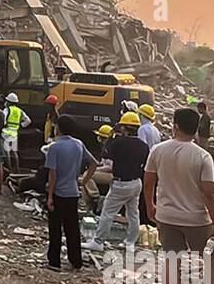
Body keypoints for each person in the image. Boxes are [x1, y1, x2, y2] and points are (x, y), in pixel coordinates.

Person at [145, 108, 214, 284]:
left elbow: (149, 181)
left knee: (171, 261)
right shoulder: (203, 156)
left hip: (167, 216)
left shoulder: (158, 150)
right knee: (212, 259)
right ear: (196, 128)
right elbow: (209, 194)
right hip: (197, 219)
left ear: (175, 125)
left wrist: (150, 206)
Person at [84, 112, 149, 251]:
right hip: (136, 183)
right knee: (133, 213)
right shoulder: (144, 146)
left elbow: (110, 162)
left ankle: (98, 241)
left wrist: (112, 135)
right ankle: (130, 243)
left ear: (124, 128)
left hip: (121, 183)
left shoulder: (117, 143)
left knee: (107, 213)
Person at [44, 115, 96, 271]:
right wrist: (83, 181)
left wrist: (50, 196)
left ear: (59, 128)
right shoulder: (78, 144)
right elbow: (94, 163)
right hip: (73, 193)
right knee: (72, 229)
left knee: (55, 229)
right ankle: (76, 261)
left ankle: (54, 262)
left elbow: (52, 174)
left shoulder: (54, 147)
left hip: (59, 193)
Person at [2, 92, 31, 174]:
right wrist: (21, 125)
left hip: (6, 132)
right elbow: (28, 121)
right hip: (14, 132)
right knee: (14, 152)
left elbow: (3, 120)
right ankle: (17, 169)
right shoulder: (19, 111)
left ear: (8, 102)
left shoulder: (7, 110)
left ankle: (10, 168)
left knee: (7, 151)